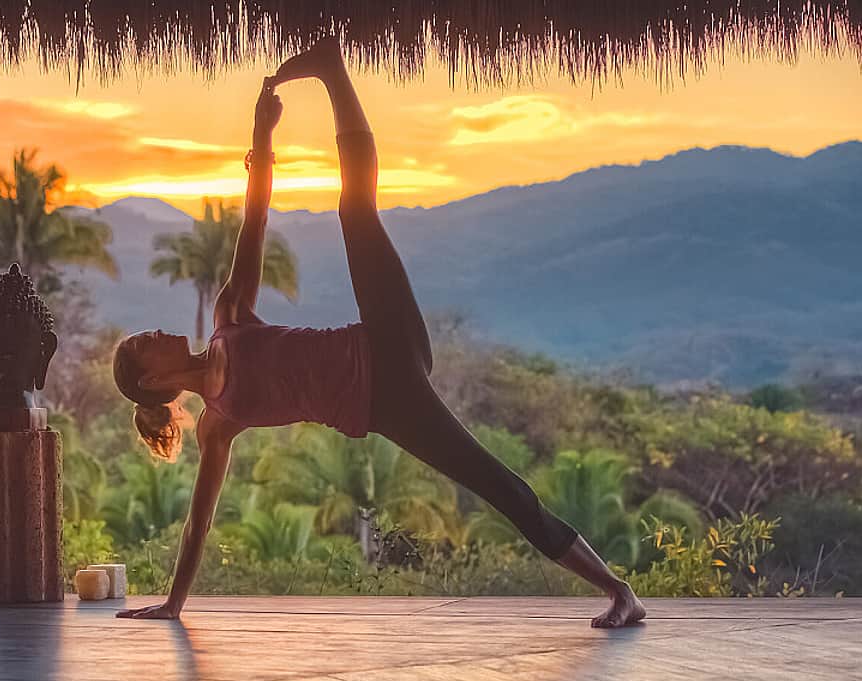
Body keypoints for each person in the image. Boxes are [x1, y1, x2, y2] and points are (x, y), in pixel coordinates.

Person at [112, 40, 646, 627]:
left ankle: (332, 70)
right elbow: (198, 521)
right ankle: (619, 591)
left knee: (355, 211)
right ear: (155, 380)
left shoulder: (228, 316)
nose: (156, 330)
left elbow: (256, 216)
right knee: (496, 484)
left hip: (385, 337)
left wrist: (262, 137)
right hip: (387, 403)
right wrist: (173, 603)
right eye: (145, 343)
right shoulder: (219, 423)